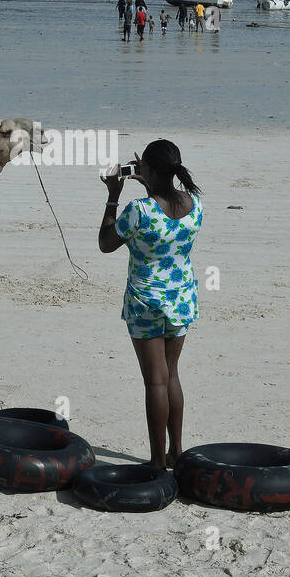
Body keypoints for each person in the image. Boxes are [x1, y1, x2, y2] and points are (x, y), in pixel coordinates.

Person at [98, 140, 203, 470]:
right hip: (182, 299)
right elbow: (169, 212)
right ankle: (177, 452)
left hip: (146, 302)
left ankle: (157, 460)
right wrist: (152, 182)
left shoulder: (138, 211)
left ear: (151, 171)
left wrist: (113, 196)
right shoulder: (196, 204)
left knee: (155, 381)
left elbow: (105, 243)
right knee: (171, 375)